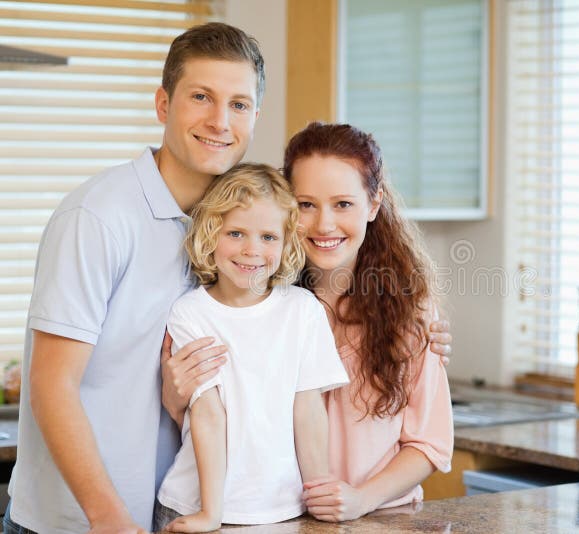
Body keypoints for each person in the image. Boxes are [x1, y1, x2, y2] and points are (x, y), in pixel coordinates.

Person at [4, 23, 264, 533]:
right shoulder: (98, 217)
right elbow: (52, 385)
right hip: (79, 525)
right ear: (164, 105)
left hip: (167, 517)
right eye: (201, 97)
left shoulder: (232, 230)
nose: (219, 120)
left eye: (238, 104)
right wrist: (111, 520)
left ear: (255, 116)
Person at [154, 163, 348, 532]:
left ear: (287, 242)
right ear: (211, 234)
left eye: (268, 237)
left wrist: (318, 492)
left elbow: (308, 411)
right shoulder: (190, 313)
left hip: (284, 510)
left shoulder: (302, 310)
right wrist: (211, 513)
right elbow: (208, 416)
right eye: (236, 233)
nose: (252, 250)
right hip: (195, 505)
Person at [283, 122, 454, 521]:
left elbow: (429, 443)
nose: (324, 224)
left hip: (383, 520)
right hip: (283, 520)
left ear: (373, 204)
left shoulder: (411, 310)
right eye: (306, 204)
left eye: (342, 204)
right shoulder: (266, 304)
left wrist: (362, 499)